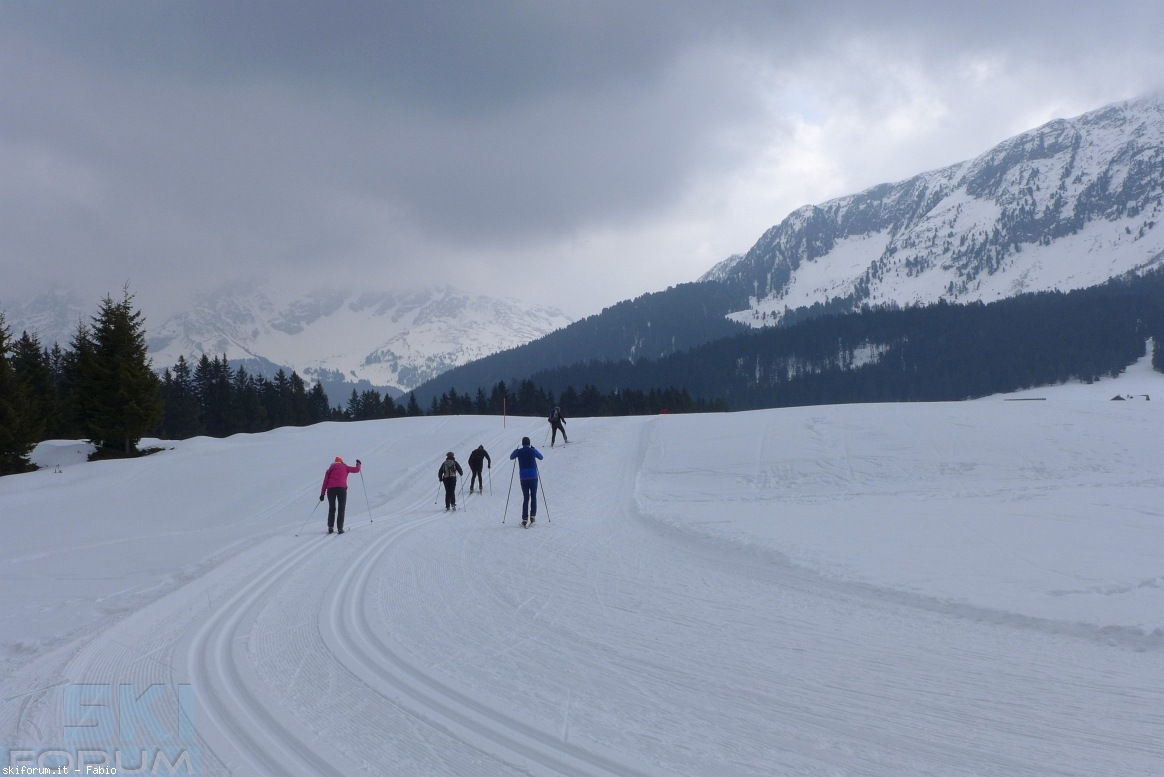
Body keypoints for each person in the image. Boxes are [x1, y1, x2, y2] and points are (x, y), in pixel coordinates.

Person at [320, 456, 361, 534]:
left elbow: (325, 482)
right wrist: (358, 463)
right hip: (341, 489)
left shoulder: (329, 470)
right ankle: (340, 528)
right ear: (341, 462)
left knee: (332, 508)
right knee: (341, 509)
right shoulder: (345, 467)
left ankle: (330, 527)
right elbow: (357, 470)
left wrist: (322, 494)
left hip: (330, 490)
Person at [509, 436, 544, 527]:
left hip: (523, 477)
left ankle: (524, 519)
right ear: (529, 443)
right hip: (533, 477)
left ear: (522, 443)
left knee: (526, 498)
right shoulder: (532, 450)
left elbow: (511, 457)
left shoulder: (519, 451)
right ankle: (532, 516)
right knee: (533, 496)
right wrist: (534, 449)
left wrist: (516, 450)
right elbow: (541, 457)